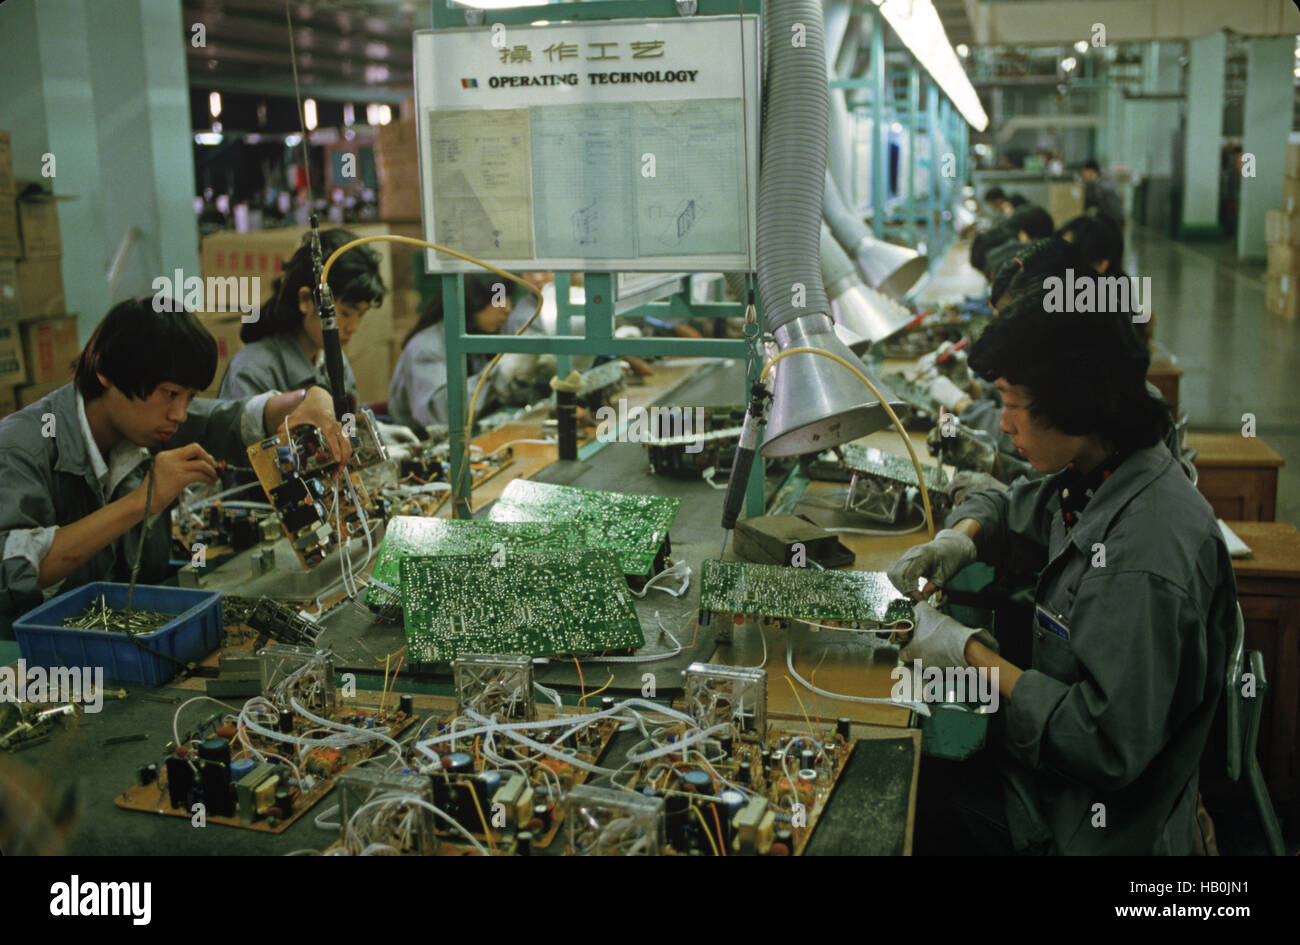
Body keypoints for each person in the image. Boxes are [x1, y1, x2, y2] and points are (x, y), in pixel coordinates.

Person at [890, 287, 1236, 855]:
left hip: (1092, 828)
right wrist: (960, 539)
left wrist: (966, 652)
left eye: (1011, 403)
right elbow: (1013, 507)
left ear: (1075, 402)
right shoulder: (1105, 470)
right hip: (1055, 790)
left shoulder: (1142, 558)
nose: (1001, 425)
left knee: (904, 791)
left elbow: (1102, 743)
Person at [0, 298, 352, 638]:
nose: (180, 414)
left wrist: (313, 399)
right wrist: (143, 501)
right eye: (170, 394)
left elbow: (234, 419)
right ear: (107, 373)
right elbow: (16, 570)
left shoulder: (145, 420)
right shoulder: (20, 446)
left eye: (190, 397)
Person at [218, 228, 383, 404]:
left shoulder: (332, 359)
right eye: (346, 313)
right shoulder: (251, 371)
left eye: (361, 315)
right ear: (305, 300)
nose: (354, 327)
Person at [388, 275, 551, 437]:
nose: (507, 308)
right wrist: (499, 373)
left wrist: (523, 377)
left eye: (507, 298)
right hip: (424, 442)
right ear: (472, 301)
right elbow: (443, 415)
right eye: (498, 299)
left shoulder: (476, 338)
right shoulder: (426, 348)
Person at [1080, 160, 1123, 230]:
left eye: (1085, 172)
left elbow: (1096, 199)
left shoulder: (1104, 181)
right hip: (1107, 219)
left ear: (1091, 171)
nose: (1083, 175)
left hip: (1114, 219)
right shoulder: (1095, 182)